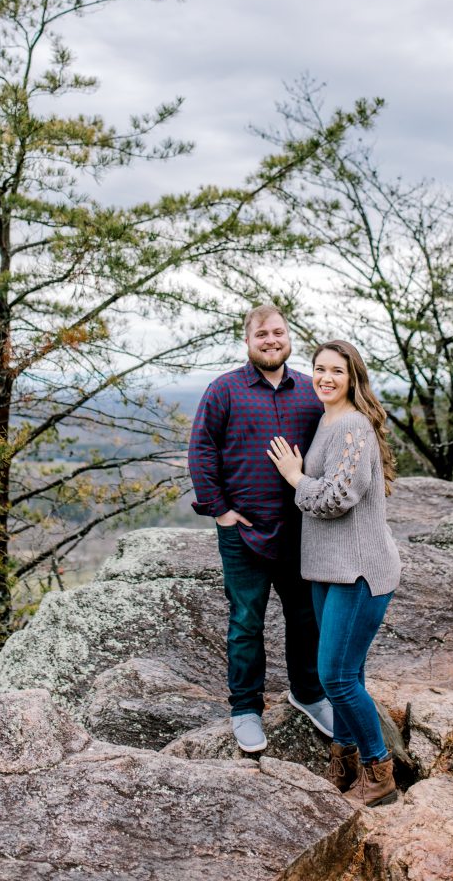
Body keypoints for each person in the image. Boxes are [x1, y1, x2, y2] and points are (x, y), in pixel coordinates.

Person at [188, 304, 333, 753]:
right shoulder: (224, 390)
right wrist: (221, 512)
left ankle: (307, 694)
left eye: (278, 332)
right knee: (245, 622)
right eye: (261, 335)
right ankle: (246, 709)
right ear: (247, 341)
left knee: (306, 619)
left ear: (289, 336)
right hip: (243, 534)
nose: (271, 340)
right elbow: (201, 451)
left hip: (301, 531)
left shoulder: (312, 392)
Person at [266, 339, 401, 807]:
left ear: (353, 378)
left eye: (336, 371)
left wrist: (294, 477)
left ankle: (379, 771)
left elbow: (334, 499)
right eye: (319, 369)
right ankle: (344, 762)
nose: (325, 377)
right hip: (328, 571)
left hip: (360, 574)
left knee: (335, 677)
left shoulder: (351, 428)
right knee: (349, 675)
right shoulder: (327, 421)